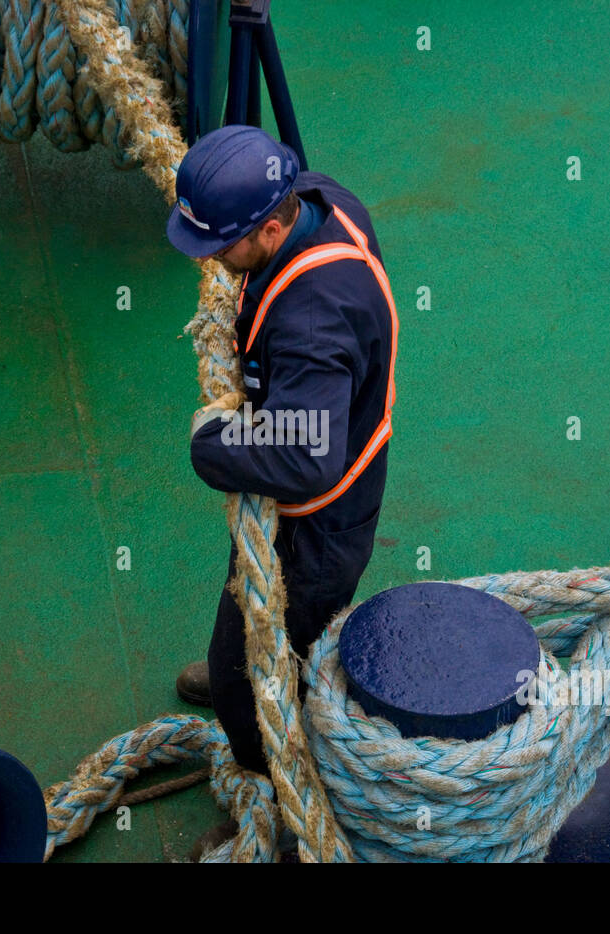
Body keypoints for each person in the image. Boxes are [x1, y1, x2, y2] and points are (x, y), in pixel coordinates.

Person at [165, 124, 398, 788]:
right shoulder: (325, 200)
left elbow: (308, 456)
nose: (211, 258)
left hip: (320, 528)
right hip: (329, 458)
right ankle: (264, 677)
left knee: (247, 670)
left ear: (270, 231)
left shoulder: (312, 323)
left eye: (220, 244)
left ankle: (271, 790)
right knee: (256, 639)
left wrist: (211, 443)